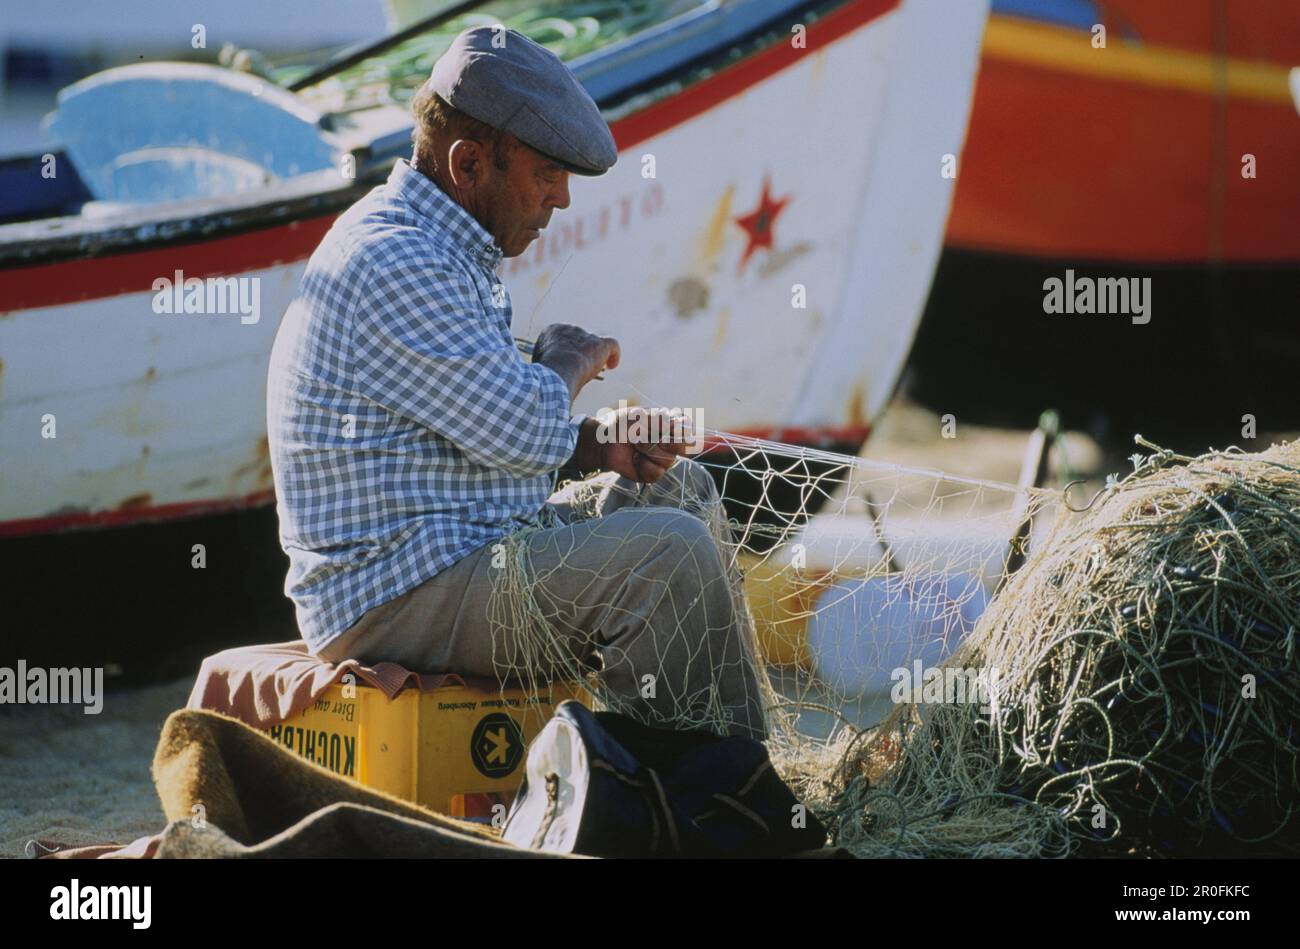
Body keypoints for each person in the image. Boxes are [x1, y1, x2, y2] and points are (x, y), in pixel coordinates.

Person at [267, 27, 768, 740]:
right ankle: (718, 801)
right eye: (546, 176)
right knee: (669, 556)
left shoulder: (436, 244)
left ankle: (713, 768)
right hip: (392, 593)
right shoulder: (397, 259)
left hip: (456, 551)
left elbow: (476, 432)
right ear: (468, 163)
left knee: (679, 491)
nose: (560, 200)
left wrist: (596, 449)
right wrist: (567, 357)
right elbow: (524, 427)